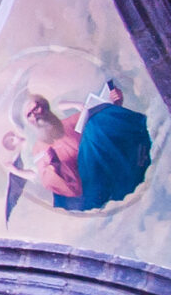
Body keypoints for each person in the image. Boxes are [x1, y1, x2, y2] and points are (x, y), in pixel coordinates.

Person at [23, 83, 152, 212]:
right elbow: (52, 183)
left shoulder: (71, 122)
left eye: (36, 109)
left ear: (45, 107)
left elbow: (104, 126)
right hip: (88, 189)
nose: (35, 115)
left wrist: (114, 102)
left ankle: (146, 130)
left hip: (109, 166)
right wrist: (54, 167)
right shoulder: (39, 149)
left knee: (98, 118)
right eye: (29, 115)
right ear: (29, 122)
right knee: (93, 127)